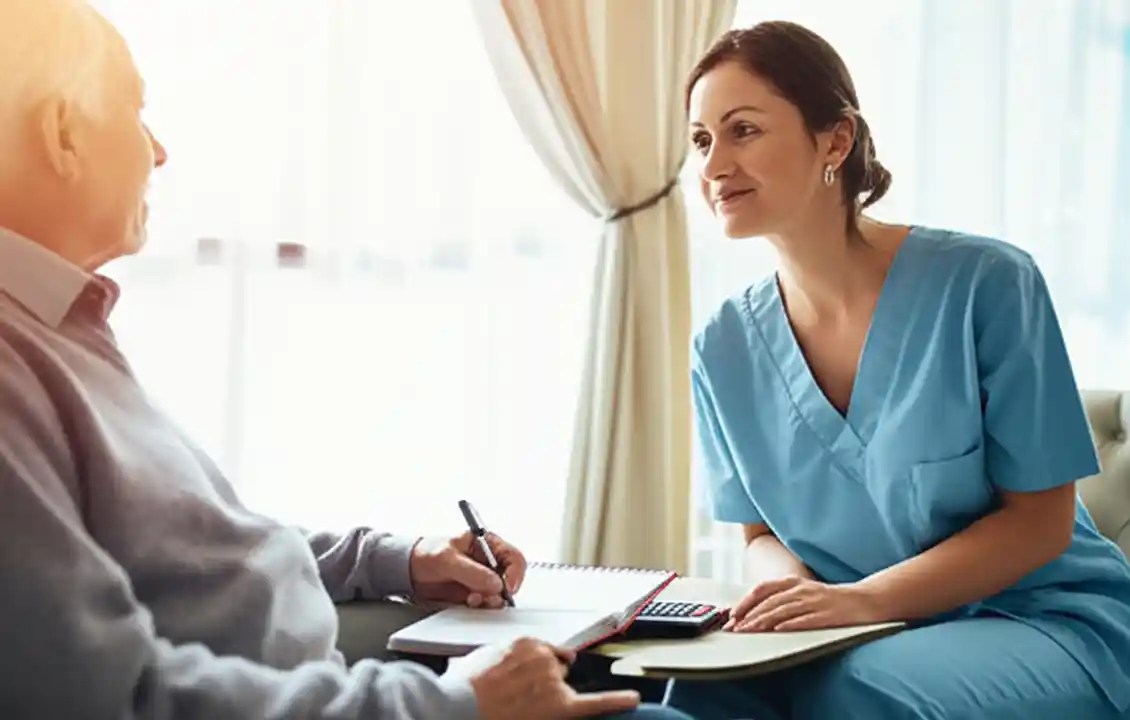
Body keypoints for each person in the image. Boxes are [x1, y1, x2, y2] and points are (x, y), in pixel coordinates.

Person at [0, 2, 690, 719]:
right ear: (63, 133)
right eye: (136, 113)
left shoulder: (62, 328)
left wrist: (398, 560)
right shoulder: (11, 368)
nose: (160, 151)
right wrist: (456, 707)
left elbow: (193, 550)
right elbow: (106, 699)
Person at [665, 21, 1130, 720]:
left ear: (835, 140)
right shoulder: (722, 344)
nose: (713, 164)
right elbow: (760, 536)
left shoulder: (987, 284)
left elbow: (1040, 525)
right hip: (858, 630)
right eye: (702, 140)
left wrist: (861, 602)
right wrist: (785, 606)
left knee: (855, 690)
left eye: (743, 130)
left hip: (1039, 624)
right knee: (697, 694)